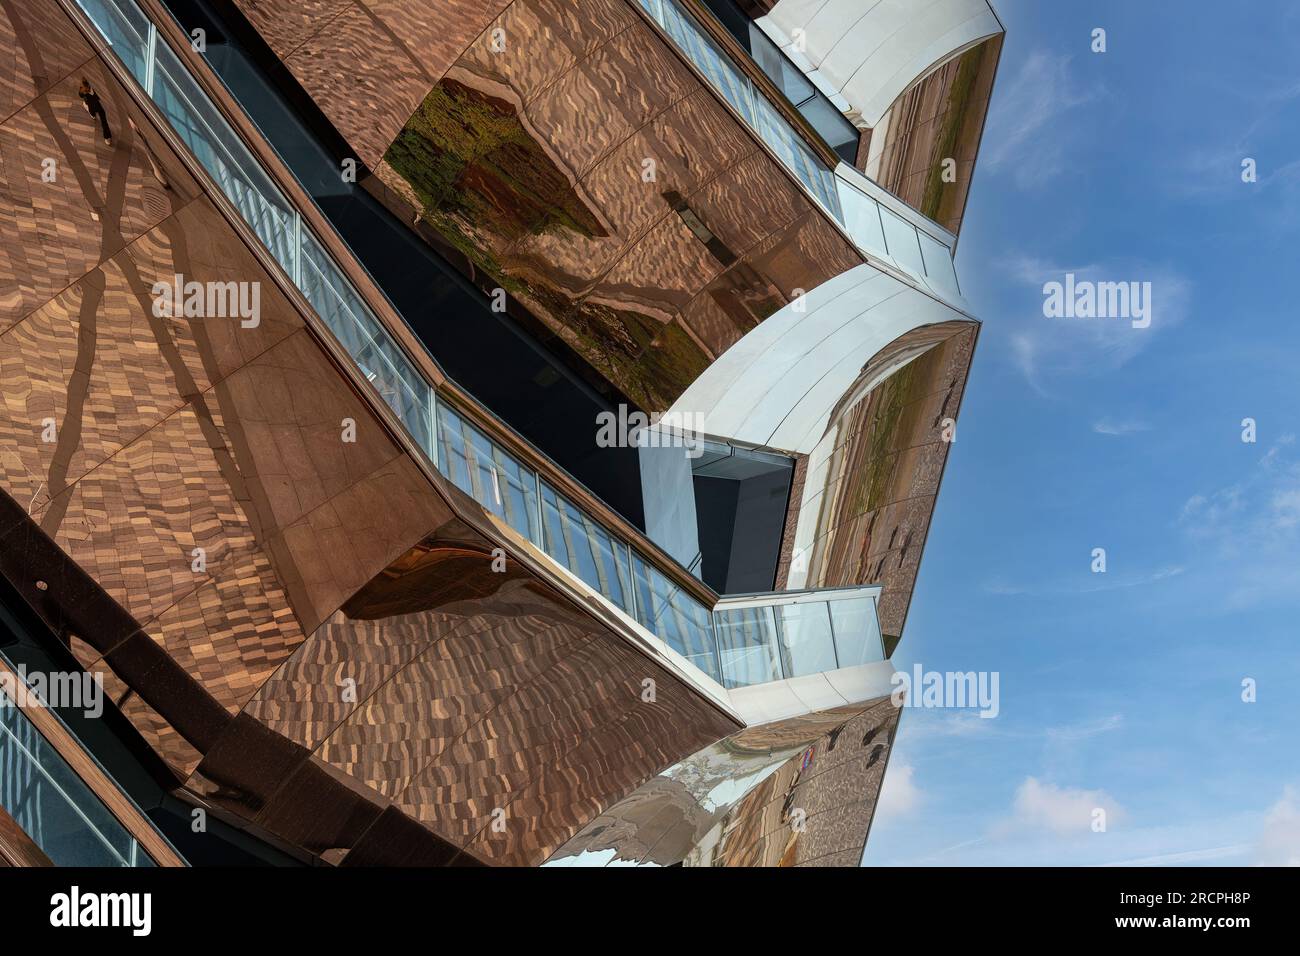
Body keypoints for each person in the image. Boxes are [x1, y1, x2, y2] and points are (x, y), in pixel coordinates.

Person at [77, 78, 112, 146]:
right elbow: (80, 94)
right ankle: (90, 111)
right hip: (91, 104)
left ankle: (107, 136)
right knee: (92, 111)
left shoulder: (92, 89)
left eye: (85, 89)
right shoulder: (83, 91)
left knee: (103, 121)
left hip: (97, 105)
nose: (84, 90)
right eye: (83, 90)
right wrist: (83, 91)